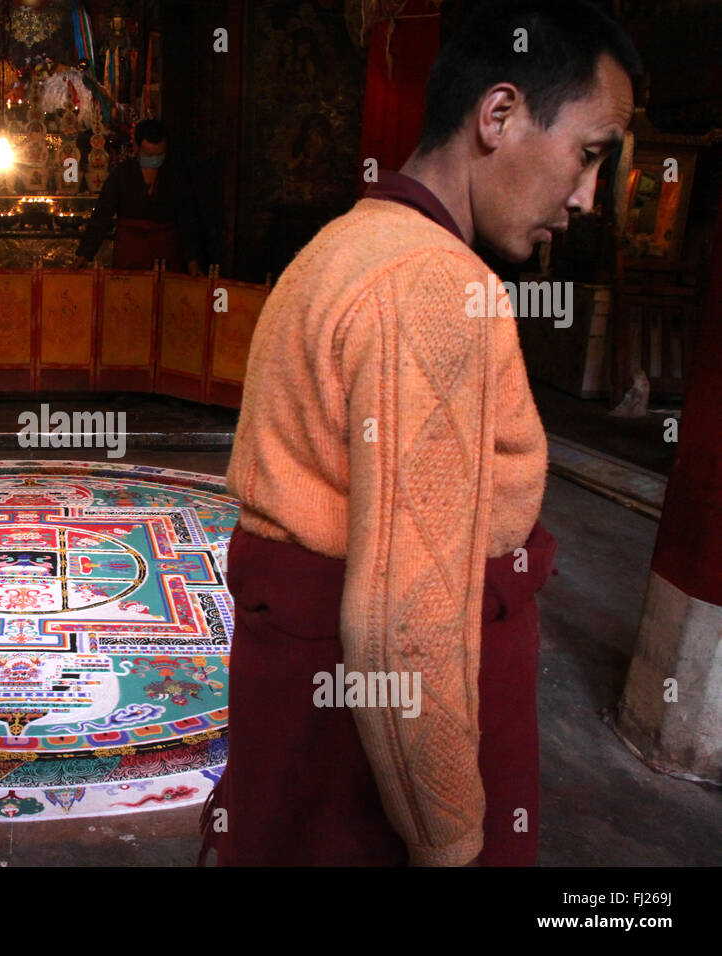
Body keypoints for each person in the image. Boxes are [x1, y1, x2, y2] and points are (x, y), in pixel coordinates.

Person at [202, 0, 639, 867]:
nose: (587, 198)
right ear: (500, 114)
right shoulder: (435, 288)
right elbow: (406, 624)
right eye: (588, 155)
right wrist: (451, 840)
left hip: (297, 703)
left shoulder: (347, 241)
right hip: (371, 750)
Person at [73, 119, 202, 274]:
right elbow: (102, 215)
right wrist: (84, 254)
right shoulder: (122, 174)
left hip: (165, 256)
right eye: (149, 154)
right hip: (130, 254)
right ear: (136, 147)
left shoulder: (175, 176)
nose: (154, 159)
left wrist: (192, 260)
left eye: (159, 154)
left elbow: (187, 219)